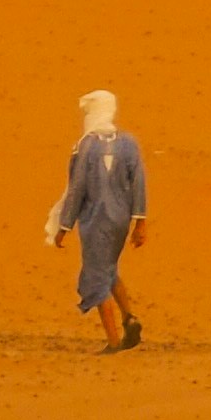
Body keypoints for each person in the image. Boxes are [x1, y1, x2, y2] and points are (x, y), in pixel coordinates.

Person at [45, 89, 148, 349]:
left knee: (96, 276)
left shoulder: (86, 146)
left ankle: (113, 342)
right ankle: (129, 318)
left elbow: (77, 188)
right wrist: (140, 222)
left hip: (96, 221)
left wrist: (63, 226)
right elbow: (139, 183)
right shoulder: (129, 143)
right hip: (121, 219)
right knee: (108, 269)